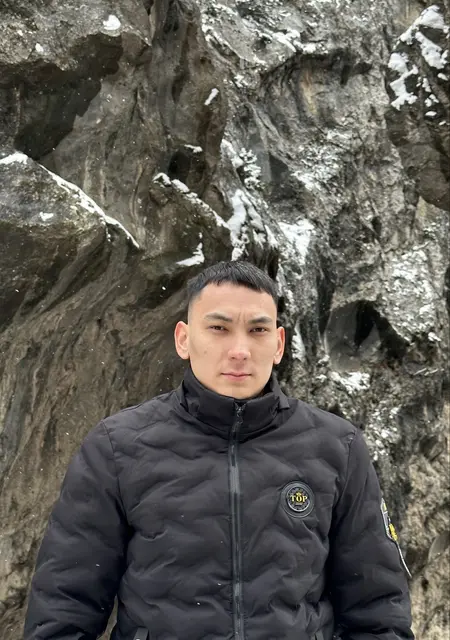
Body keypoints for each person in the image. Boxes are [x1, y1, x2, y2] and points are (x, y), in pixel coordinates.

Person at [24, 260, 414, 640]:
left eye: (258, 330)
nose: (240, 349)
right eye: (218, 328)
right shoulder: (117, 446)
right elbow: (64, 608)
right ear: (183, 339)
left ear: (278, 344)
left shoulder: (337, 447)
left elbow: (377, 612)